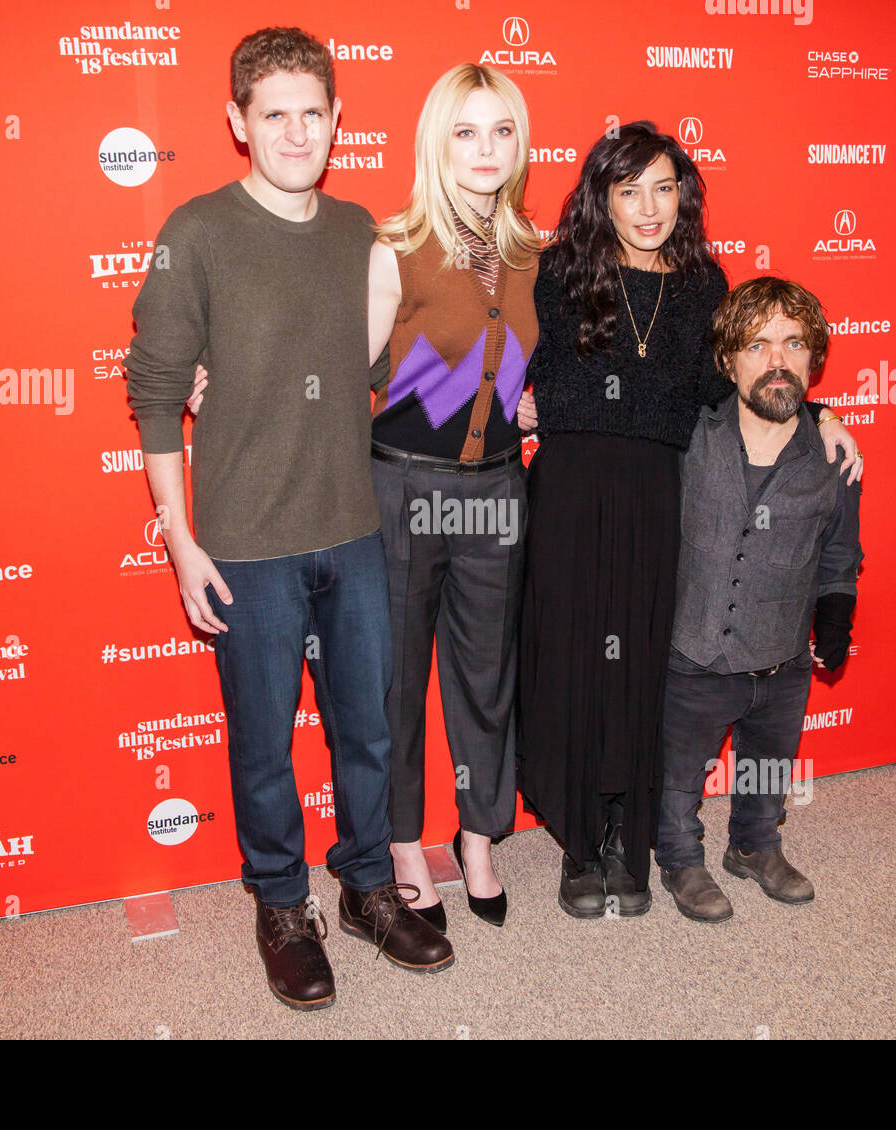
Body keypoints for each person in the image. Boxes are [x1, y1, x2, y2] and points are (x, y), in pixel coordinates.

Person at [124, 26, 452, 1013]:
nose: (296, 131)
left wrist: (516, 391)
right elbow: (152, 390)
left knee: (364, 731)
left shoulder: (363, 233)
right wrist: (180, 540)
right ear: (237, 122)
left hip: (351, 529)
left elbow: (393, 370)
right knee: (263, 743)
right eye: (274, 113)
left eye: (313, 111)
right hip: (244, 543)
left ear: (338, 119)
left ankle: (361, 886)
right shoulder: (198, 230)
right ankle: (280, 903)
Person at [516, 122, 859, 919]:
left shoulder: (705, 285)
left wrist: (827, 409)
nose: (647, 206)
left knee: (640, 673)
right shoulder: (557, 272)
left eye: (664, 187)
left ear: (684, 195)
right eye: (628, 189)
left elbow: (741, 380)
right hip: (569, 493)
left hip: (659, 497)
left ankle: (628, 840)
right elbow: (511, 371)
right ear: (602, 196)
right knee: (573, 665)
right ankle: (580, 840)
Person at [367, 64, 541, 930]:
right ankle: (404, 845)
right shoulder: (395, 244)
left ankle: (478, 837)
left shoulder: (531, 250)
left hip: (498, 493)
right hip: (402, 487)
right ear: (439, 140)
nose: (485, 149)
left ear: (520, 142)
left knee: (485, 679)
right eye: (466, 131)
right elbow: (348, 367)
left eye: (501, 130)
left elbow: (534, 364)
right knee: (396, 680)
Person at [655, 277, 861, 920]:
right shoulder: (688, 434)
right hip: (694, 649)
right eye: (758, 344)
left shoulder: (832, 457)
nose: (777, 360)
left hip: (781, 655)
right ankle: (681, 861)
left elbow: (839, 553)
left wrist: (836, 613)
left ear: (814, 357)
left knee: (768, 768)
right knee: (678, 779)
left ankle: (753, 846)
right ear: (728, 360)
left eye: (794, 343)